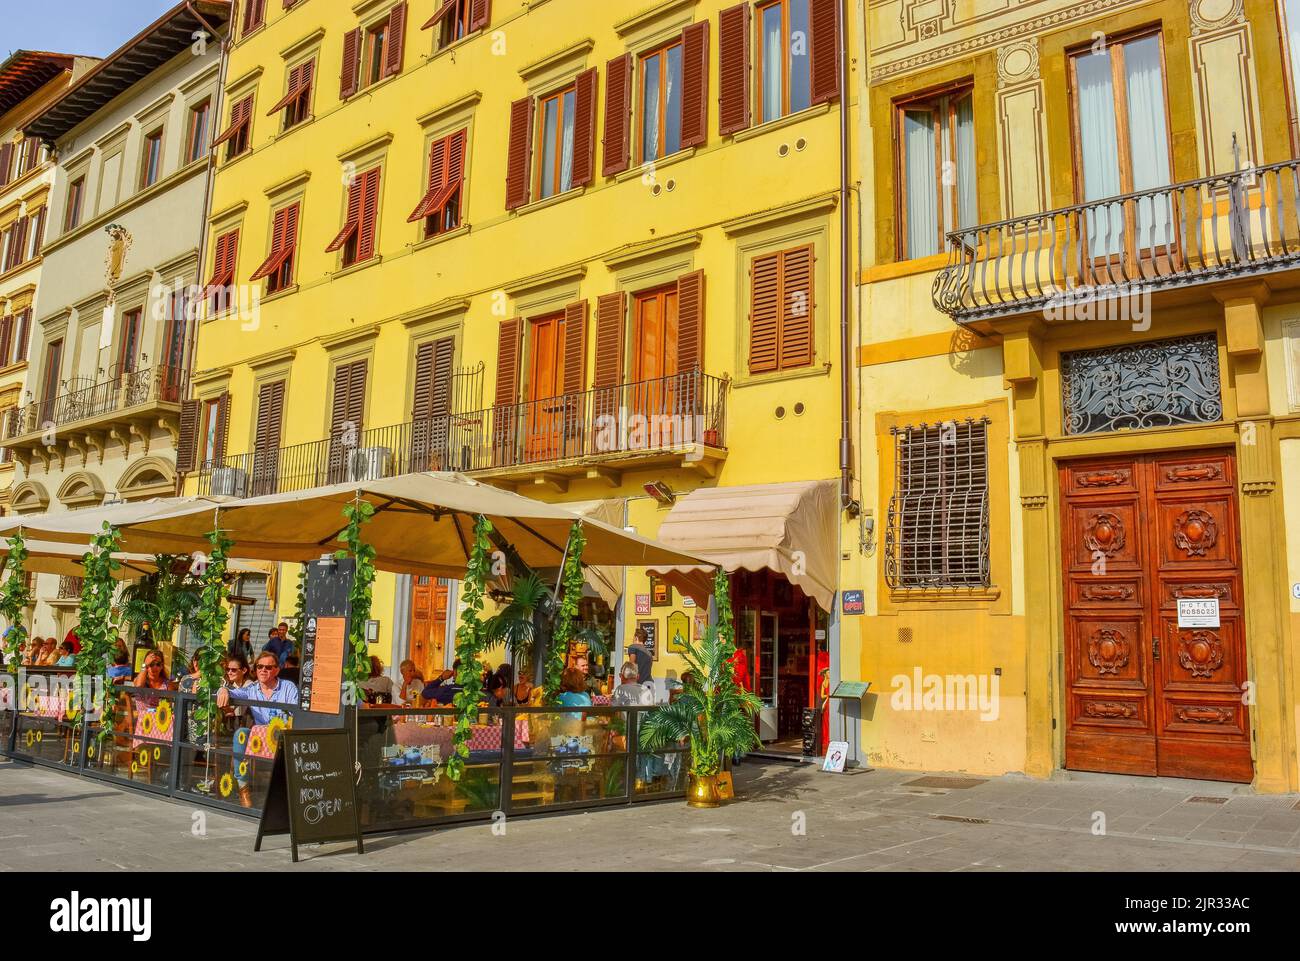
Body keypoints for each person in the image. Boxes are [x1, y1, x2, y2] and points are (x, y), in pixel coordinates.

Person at [215, 652, 298, 725]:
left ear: (277, 670)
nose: (263, 670)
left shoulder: (288, 687)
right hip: (259, 736)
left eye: (268, 667)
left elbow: (296, 714)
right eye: (260, 667)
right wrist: (223, 690)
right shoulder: (251, 689)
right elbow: (234, 692)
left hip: (283, 734)